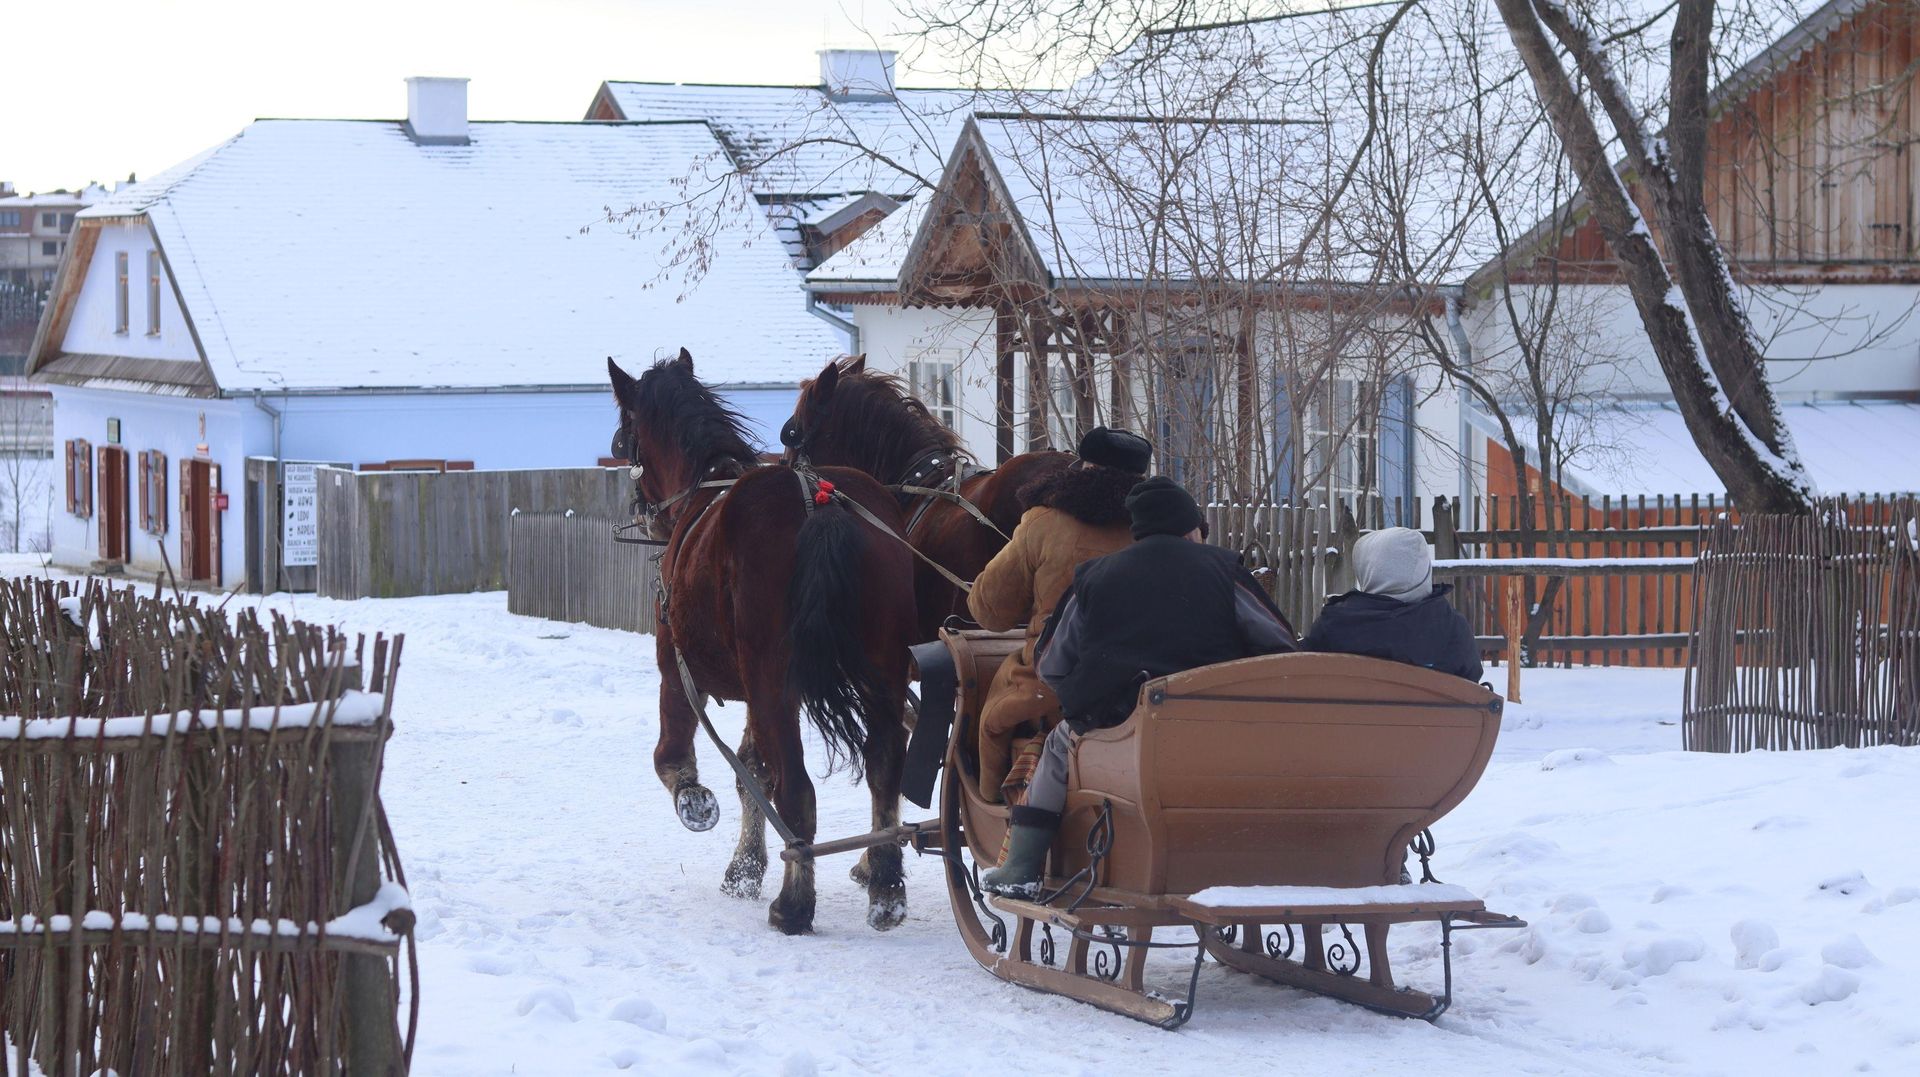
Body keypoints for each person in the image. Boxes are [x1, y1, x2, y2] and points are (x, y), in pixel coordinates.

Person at [982, 477, 1296, 897]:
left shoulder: (1094, 577)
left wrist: (1080, 692)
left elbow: (1051, 662)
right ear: (1190, 529)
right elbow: (1280, 645)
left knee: (1059, 746)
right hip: (1214, 732)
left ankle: (1022, 867)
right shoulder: (1226, 571)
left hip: (1115, 728)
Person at [966, 427, 1150, 802]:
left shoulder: (1044, 521)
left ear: (1083, 468)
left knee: (989, 722)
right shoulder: (1162, 528)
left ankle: (995, 809)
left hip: (1053, 684)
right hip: (1149, 683)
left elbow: (990, 612)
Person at [1303, 526, 1483, 682]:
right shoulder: (1452, 628)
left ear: (1367, 567)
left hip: (1349, 721)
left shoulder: (1333, 625)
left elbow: (1307, 680)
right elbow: (1472, 683)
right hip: (1432, 722)